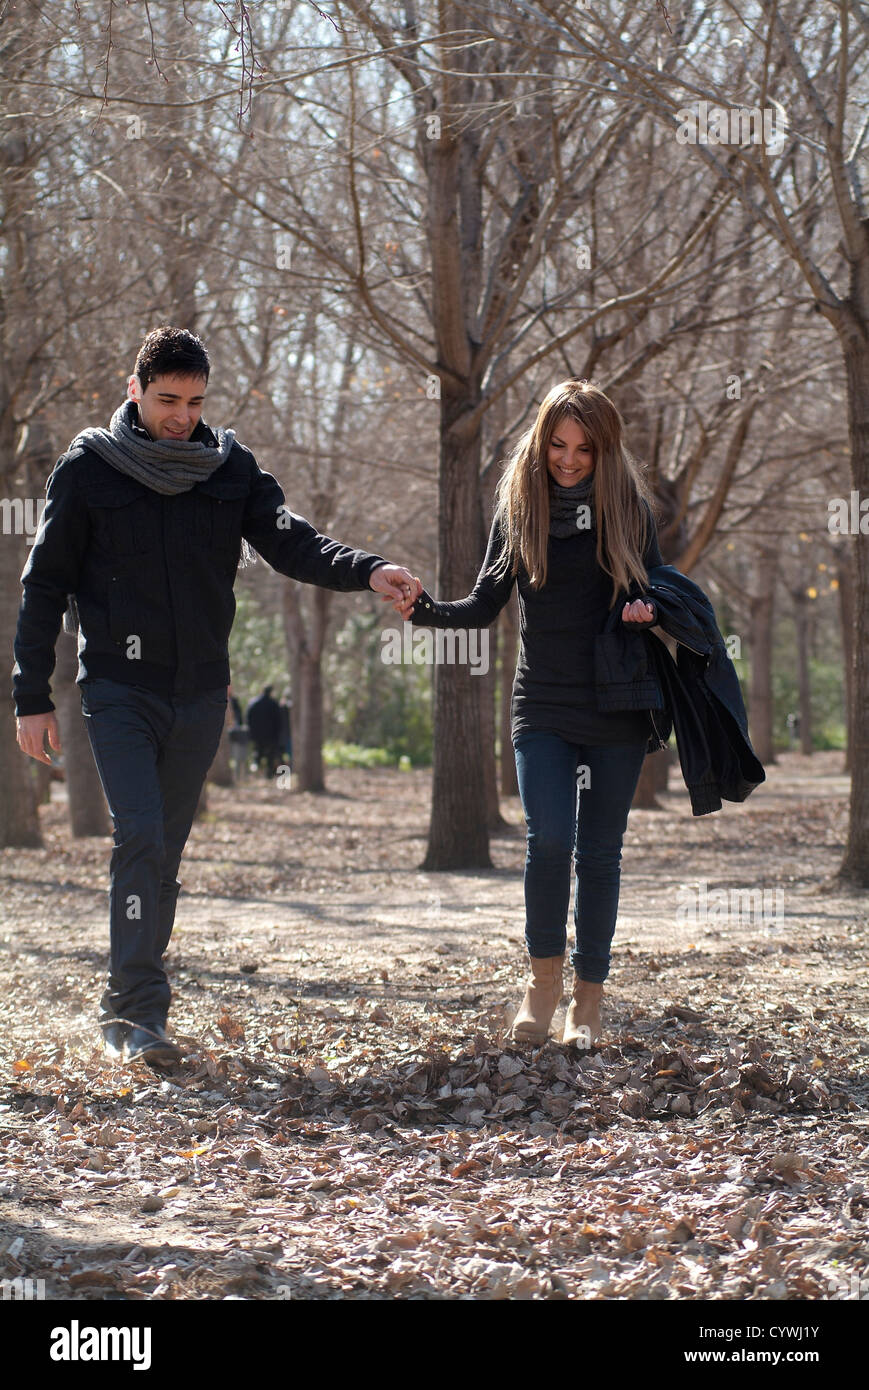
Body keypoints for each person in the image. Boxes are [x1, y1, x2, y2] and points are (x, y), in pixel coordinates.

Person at [12, 326, 421, 1068]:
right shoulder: (90, 468)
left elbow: (294, 542)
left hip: (200, 693)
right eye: (167, 399)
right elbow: (44, 584)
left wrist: (368, 569)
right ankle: (137, 1012)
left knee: (164, 849)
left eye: (195, 402)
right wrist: (30, 695)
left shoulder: (230, 468)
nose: (181, 416)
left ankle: (130, 1001)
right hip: (118, 686)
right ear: (135, 390)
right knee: (139, 833)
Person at [402, 380, 662, 1050]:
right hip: (542, 702)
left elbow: (660, 594)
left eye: (584, 448)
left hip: (616, 705)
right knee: (548, 839)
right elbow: (483, 605)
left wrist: (645, 611)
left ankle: (588, 998)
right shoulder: (520, 508)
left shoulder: (629, 512)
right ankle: (541, 983)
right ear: (542, 441)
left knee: (599, 853)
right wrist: (425, 610)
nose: (569, 459)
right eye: (558, 444)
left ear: (604, 451)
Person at [246, 684, 282, 779]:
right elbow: (278, 721)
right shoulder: (273, 704)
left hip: (257, 735)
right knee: (270, 755)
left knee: (258, 753)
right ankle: (268, 774)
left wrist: (251, 733)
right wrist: (278, 734)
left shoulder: (254, 703)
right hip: (271, 735)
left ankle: (256, 773)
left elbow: (248, 719)